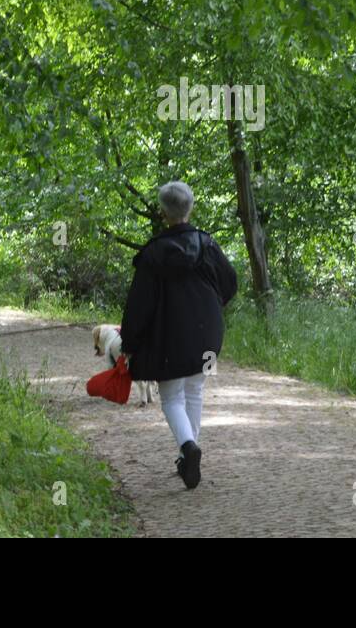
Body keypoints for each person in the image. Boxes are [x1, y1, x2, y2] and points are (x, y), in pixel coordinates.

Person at [120, 180, 237, 489]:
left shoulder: (153, 254)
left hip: (168, 336)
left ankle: (188, 448)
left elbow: (139, 305)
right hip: (206, 331)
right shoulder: (208, 244)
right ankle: (189, 457)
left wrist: (129, 344)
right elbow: (230, 281)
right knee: (194, 391)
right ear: (191, 207)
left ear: (163, 212)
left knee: (171, 396)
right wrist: (213, 305)